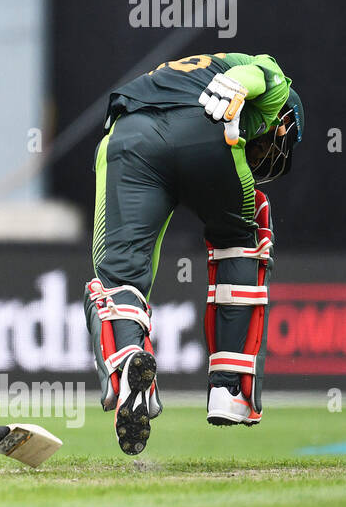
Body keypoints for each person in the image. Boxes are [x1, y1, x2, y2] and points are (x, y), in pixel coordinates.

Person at [84, 53, 303, 455]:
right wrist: (238, 83)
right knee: (243, 233)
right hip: (208, 130)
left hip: (127, 136)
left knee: (118, 280)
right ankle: (229, 388)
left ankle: (132, 366)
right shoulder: (273, 97)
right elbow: (263, 74)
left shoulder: (172, 71)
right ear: (283, 123)